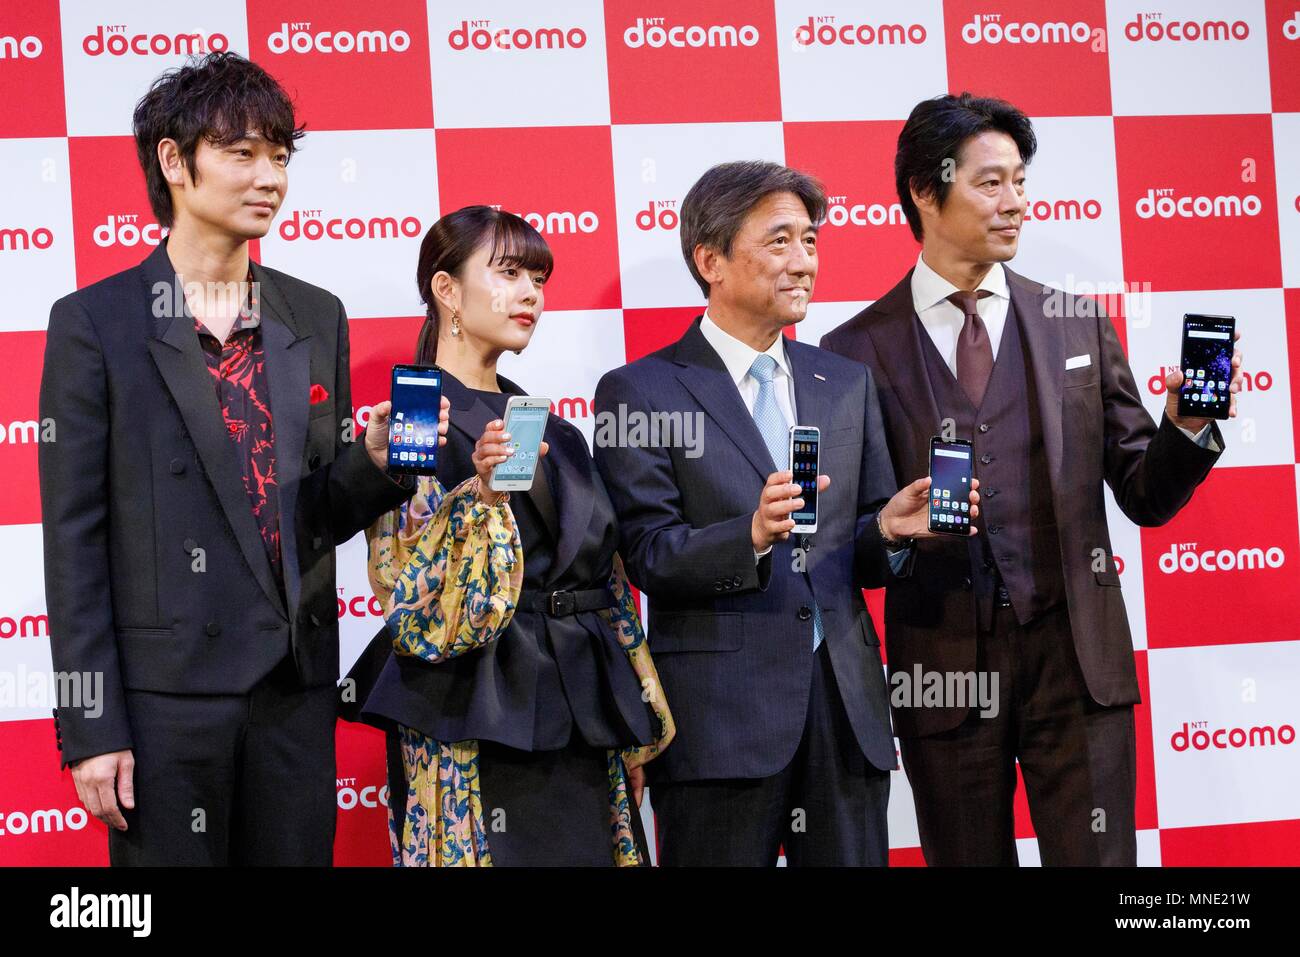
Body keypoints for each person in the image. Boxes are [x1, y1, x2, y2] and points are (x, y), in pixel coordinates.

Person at [820, 92, 1242, 865]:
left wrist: (1185, 429)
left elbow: (1145, 494)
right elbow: (842, 548)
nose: (1016, 202)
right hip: (943, 677)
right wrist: (888, 529)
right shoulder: (852, 351)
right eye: (991, 183)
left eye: (1021, 180)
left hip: (1079, 666)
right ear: (925, 190)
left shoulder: (1075, 321)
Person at [37, 52, 436, 865]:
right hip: (163, 705)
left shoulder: (313, 314)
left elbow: (314, 512)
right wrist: (91, 726)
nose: (270, 177)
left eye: (281, 154)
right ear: (174, 162)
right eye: (243, 152)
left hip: (292, 691)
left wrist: (371, 458)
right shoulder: (95, 322)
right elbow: (74, 543)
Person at [592, 161, 977, 866]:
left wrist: (889, 529)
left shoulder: (843, 381)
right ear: (710, 260)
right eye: (779, 242)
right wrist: (749, 535)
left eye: (811, 240)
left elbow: (857, 545)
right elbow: (649, 553)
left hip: (844, 707)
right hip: (721, 722)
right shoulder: (641, 391)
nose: (804, 262)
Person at [344, 206, 674, 866]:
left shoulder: (558, 431)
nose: (531, 293)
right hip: (473, 716)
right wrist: (482, 498)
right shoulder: (413, 424)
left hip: (581, 719)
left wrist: (630, 722)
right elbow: (411, 596)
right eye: (510, 272)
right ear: (446, 290)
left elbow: (605, 583)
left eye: (540, 278)